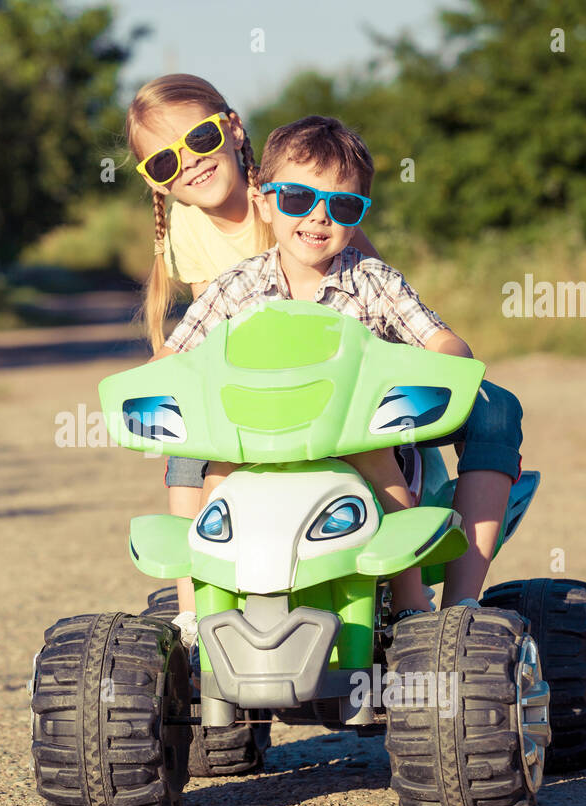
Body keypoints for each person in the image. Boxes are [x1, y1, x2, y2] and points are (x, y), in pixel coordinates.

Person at [156, 115, 524, 628]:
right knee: (216, 466)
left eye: (342, 205)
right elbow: (178, 352)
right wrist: (158, 379)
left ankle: (420, 600)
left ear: (359, 215)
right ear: (264, 201)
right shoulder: (237, 287)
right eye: (297, 200)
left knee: (378, 450)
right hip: (257, 436)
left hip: (354, 433)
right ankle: (202, 610)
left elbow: (437, 336)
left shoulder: (373, 282)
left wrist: (447, 357)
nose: (318, 218)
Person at [125, 76, 383, 641]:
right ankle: (195, 614)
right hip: (249, 385)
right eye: (166, 163)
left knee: (395, 456)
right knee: (190, 458)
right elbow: (205, 332)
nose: (189, 164)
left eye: (198, 140)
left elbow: (367, 284)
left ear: (232, 128)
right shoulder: (189, 227)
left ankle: (408, 595)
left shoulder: (291, 199)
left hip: (326, 374)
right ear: (156, 182)